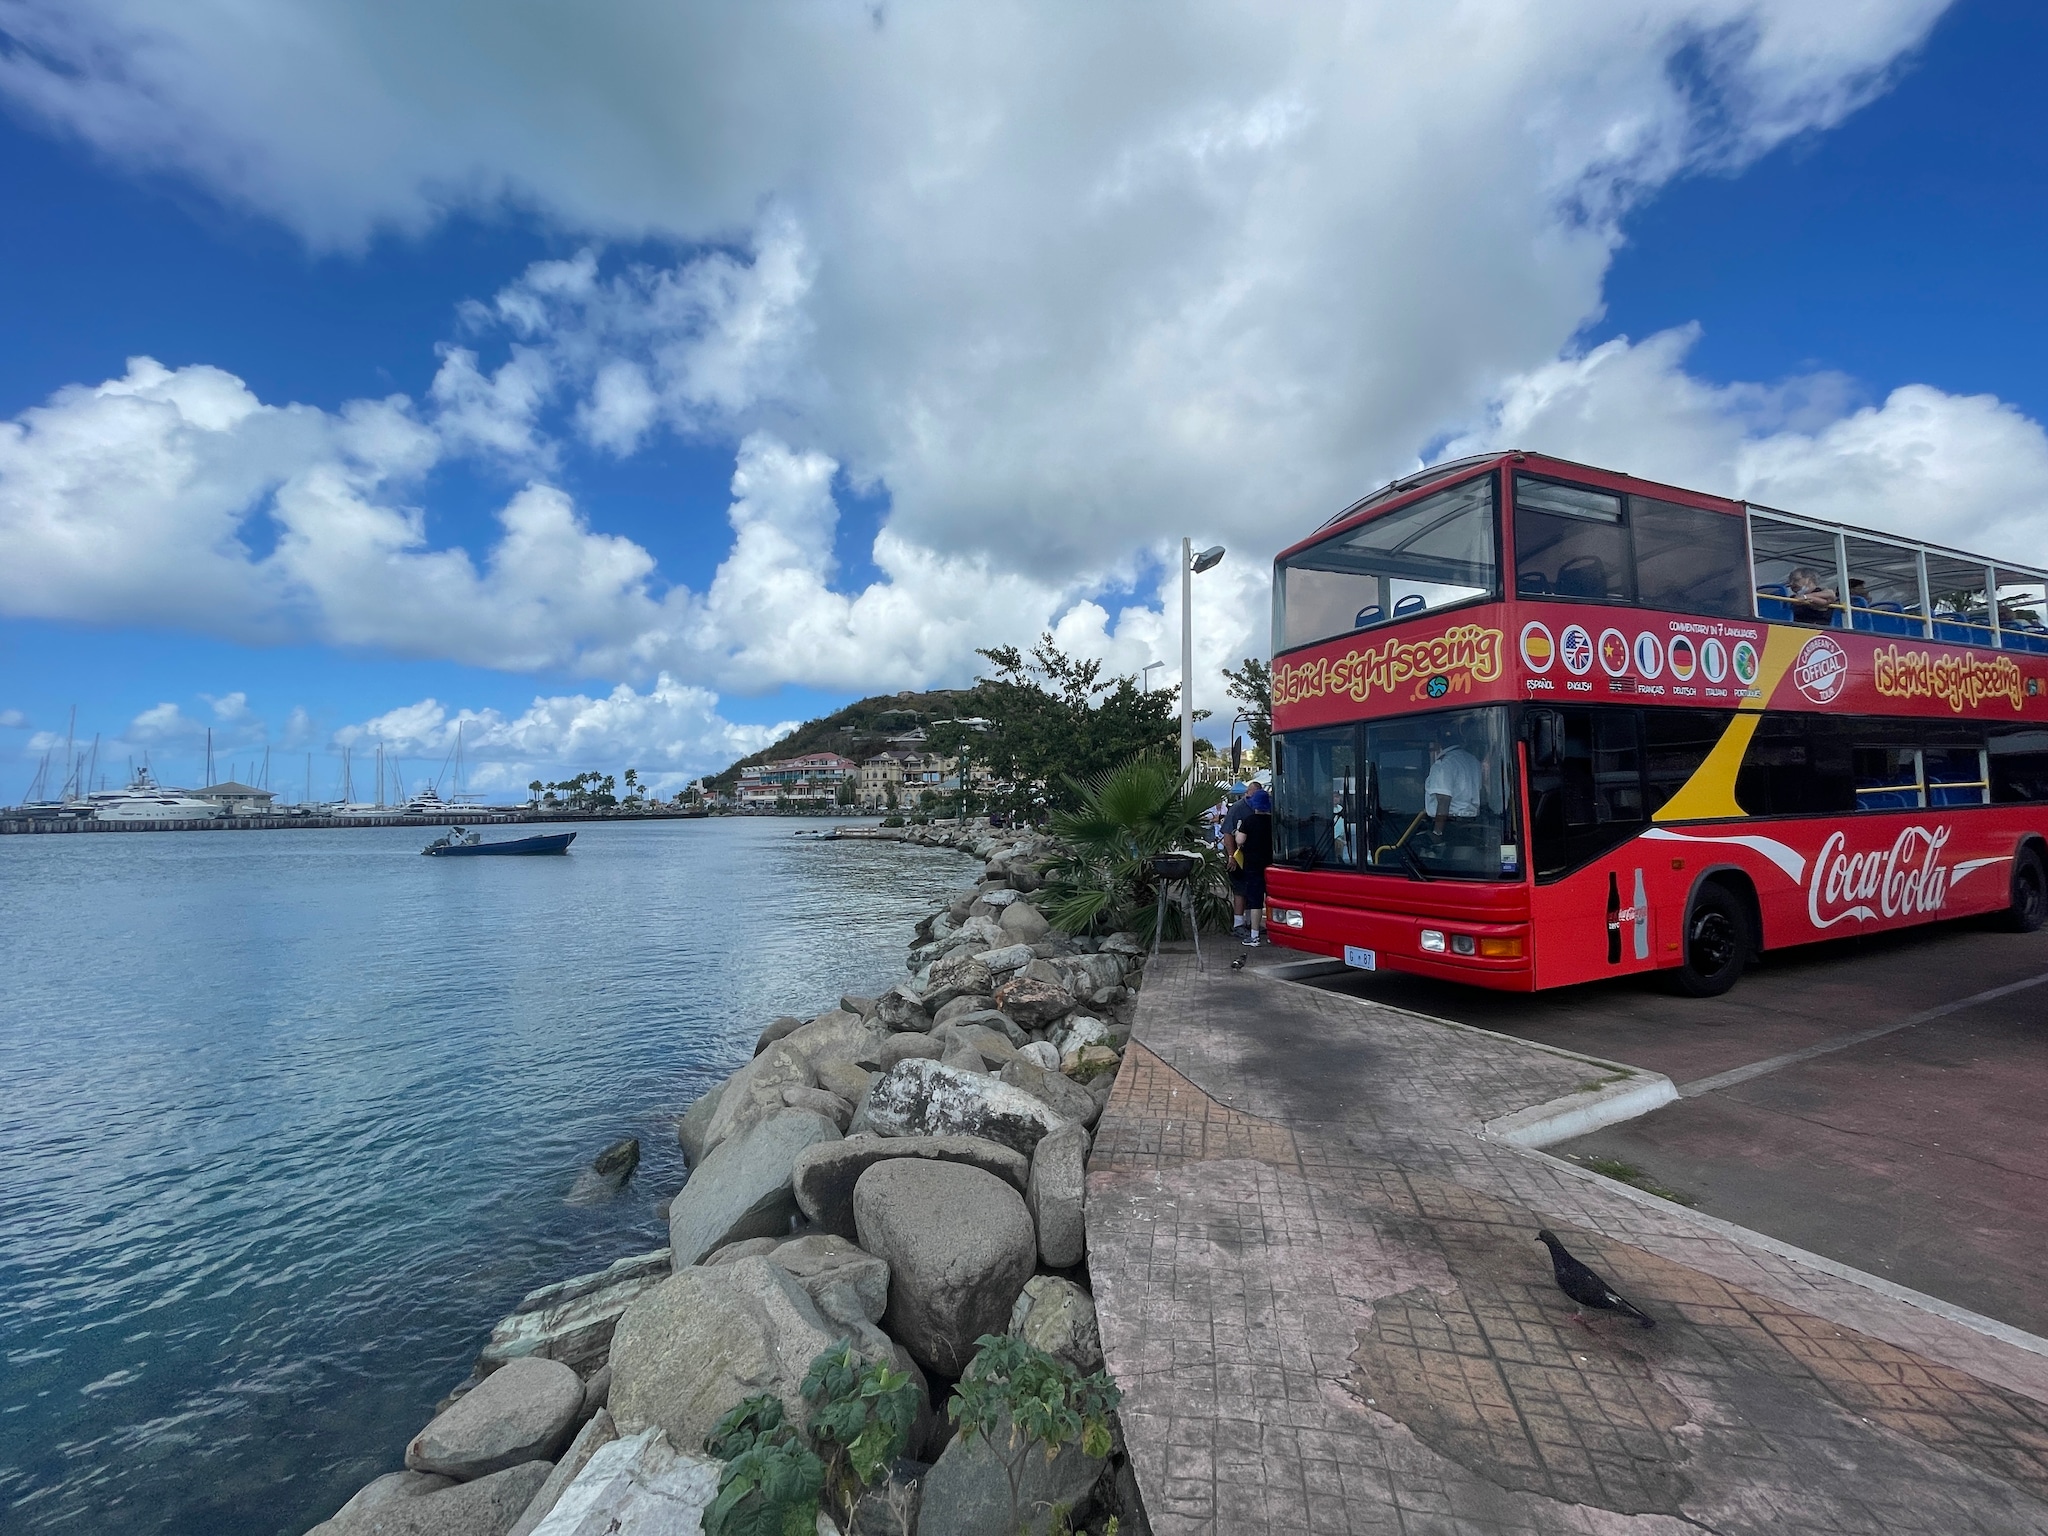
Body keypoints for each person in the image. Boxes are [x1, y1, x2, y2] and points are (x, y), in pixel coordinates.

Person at [1230, 777, 1273, 947]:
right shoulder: (1272, 821)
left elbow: (1239, 841)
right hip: (1270, 864)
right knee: (1270, 898)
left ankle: (1254, 936)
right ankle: (1273, 932)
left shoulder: (1249, 821)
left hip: (1253, 865)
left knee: (1255, 901)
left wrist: (1236, 832)